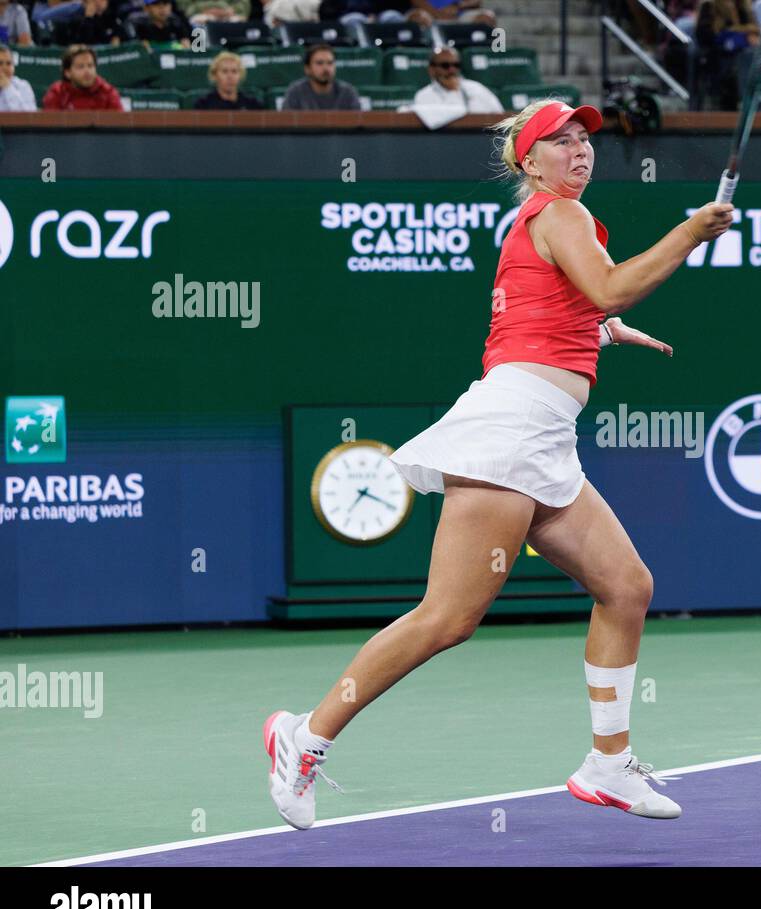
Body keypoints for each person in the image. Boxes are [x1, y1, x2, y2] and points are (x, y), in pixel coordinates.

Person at [262, 99, 735, 828]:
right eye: (562, 142)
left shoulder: (540, 225)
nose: (580, 152)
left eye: (585, 141)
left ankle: (607, 765)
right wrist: (690, 232)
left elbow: (544, 310)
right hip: (511, 431)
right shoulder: (560, 215)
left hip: (543, 436)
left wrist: (602, 332)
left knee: (627, 587)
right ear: (529, 160)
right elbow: (610, 286)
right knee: (448, 618)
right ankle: (305, 736)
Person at [695, 0, 761, 109]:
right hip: (718, 55)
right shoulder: (709, 6)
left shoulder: (743, 7)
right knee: (732, 67)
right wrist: (732, 35)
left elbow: (755, 30)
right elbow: (704, 36)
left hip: (744, 54)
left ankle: (753, 103)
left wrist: (744, 37)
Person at [413, 45, 503, 111]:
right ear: (431, 69)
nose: (452, 70)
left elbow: (499, 116)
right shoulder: (424, 96)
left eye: (456, 65)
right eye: (445, 65)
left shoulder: (477, 88)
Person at [42, 43, 123, 110]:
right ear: (67, 73)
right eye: (80, 67)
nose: (87, 71)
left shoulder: (108, 93)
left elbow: (119, 125)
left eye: (90, 65)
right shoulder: (57, 92)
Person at [282, 44, 363, 110]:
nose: (326, 68)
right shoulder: (295, 91)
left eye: (330, 63)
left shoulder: (348, 92)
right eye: (319, 63)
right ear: (307, 68)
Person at [193, 49, 262, 108]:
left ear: (241, 75)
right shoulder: (204, 104)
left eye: (234, 71)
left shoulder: (252, 104)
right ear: (214, 75)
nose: (230, 76)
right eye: (224, 71)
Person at [52, 0, 125, 46]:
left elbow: (119, 29)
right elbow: (85, 42)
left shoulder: (110, 14)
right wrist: (88, 18)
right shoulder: (78, 19)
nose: (104, 1)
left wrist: (116, 37)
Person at [0, 43, 37, 111]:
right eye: (0, 63)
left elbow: (29, 117)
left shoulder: (23, 86)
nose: (4, 67)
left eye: (9, 63)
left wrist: (8, 88)